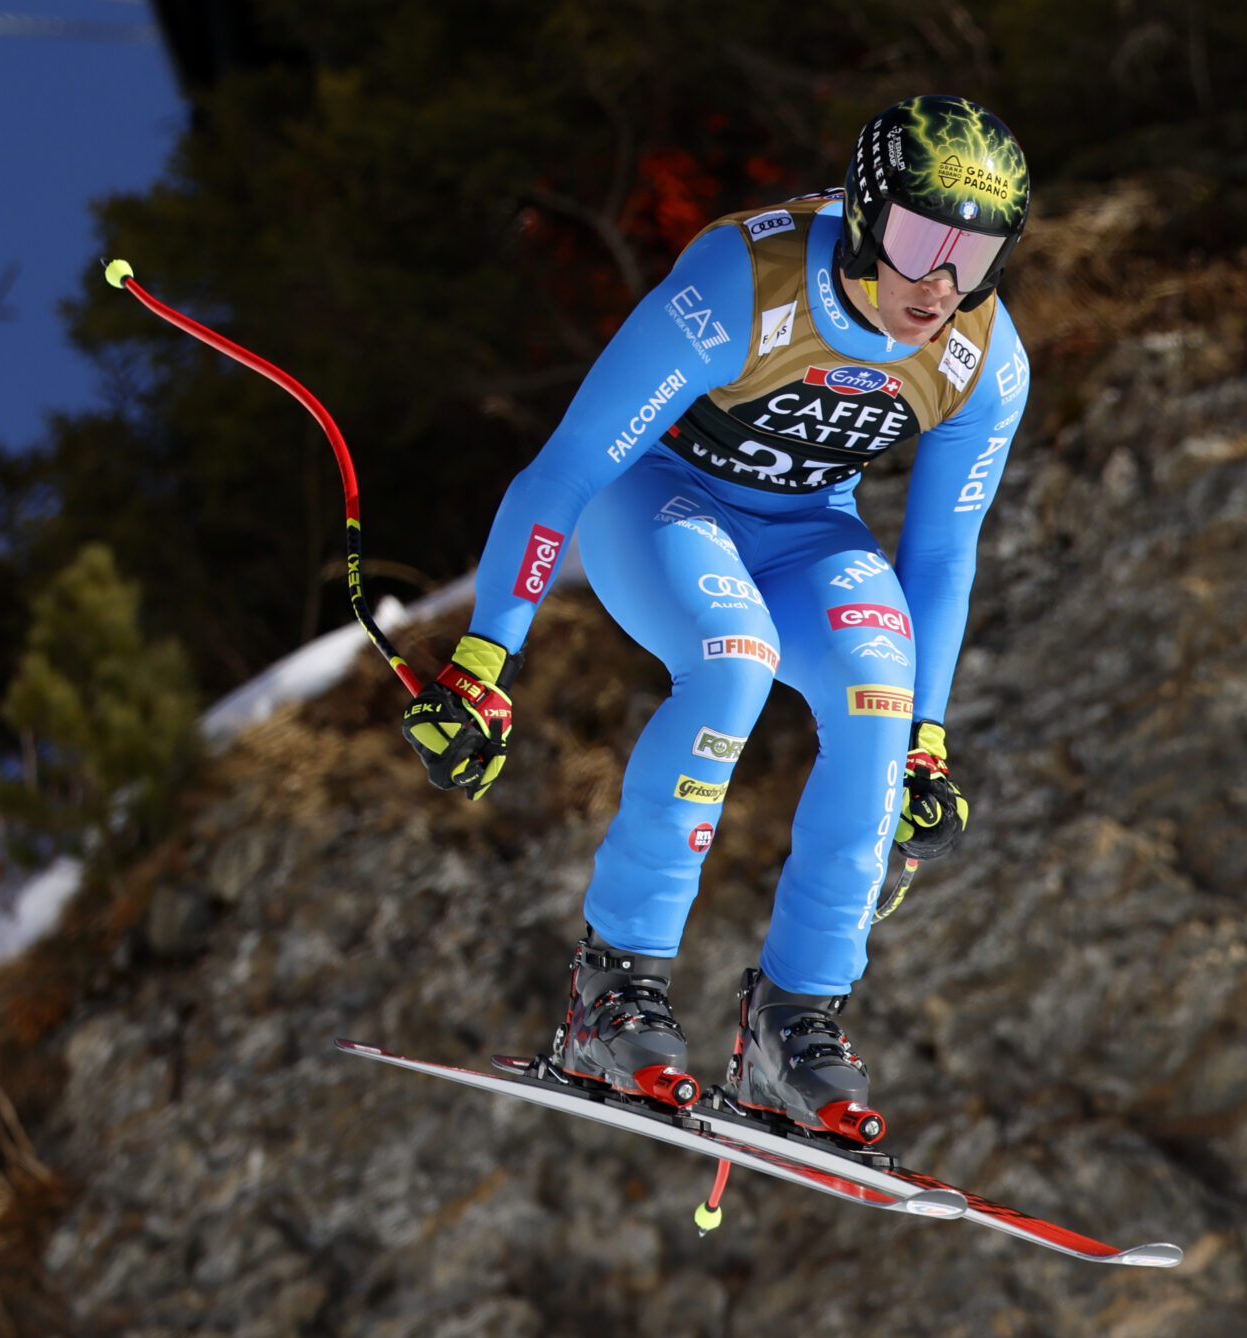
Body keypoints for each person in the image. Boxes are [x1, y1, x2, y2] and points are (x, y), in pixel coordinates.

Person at [398, 95, 1031, 1148]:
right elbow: (564, 472)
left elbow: (938, 554)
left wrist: (927, 735)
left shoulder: (983, 358)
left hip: (808, 533)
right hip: (660, 503)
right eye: (922, 242)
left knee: (881, 699)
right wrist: (481, 661)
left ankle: (797, 1026)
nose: (941, 285)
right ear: (866, 215)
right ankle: (614, 995)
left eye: (978, 256)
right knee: (734, 666)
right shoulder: (745, 285)